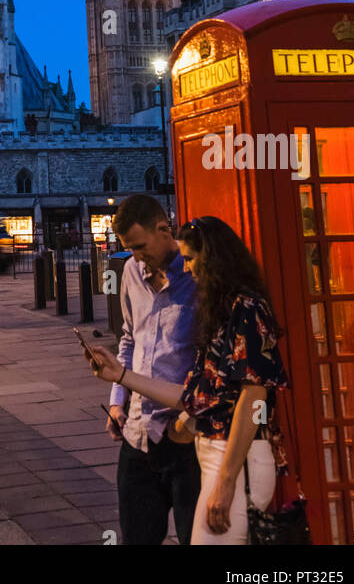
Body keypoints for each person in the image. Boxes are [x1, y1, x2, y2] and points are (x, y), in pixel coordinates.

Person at [88, 215, 288, 546]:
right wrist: (120, 376)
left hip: (238, 458)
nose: (188, 267)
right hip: (215, 455)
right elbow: (193, 396)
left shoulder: (248, 309)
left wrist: (226, 482)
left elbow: (253, 398)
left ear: (215, 259)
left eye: (193, 259)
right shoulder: (221, 312)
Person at [104, 194, 201, 546]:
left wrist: (192, 418)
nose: (136, 256)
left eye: (141, 246)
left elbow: (214, 356)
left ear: (164, 229)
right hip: (138, 434)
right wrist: (117, 402)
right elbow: (130, 339)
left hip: (187, 436)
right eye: (130, 248)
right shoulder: (131, 271)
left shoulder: (198, 275)